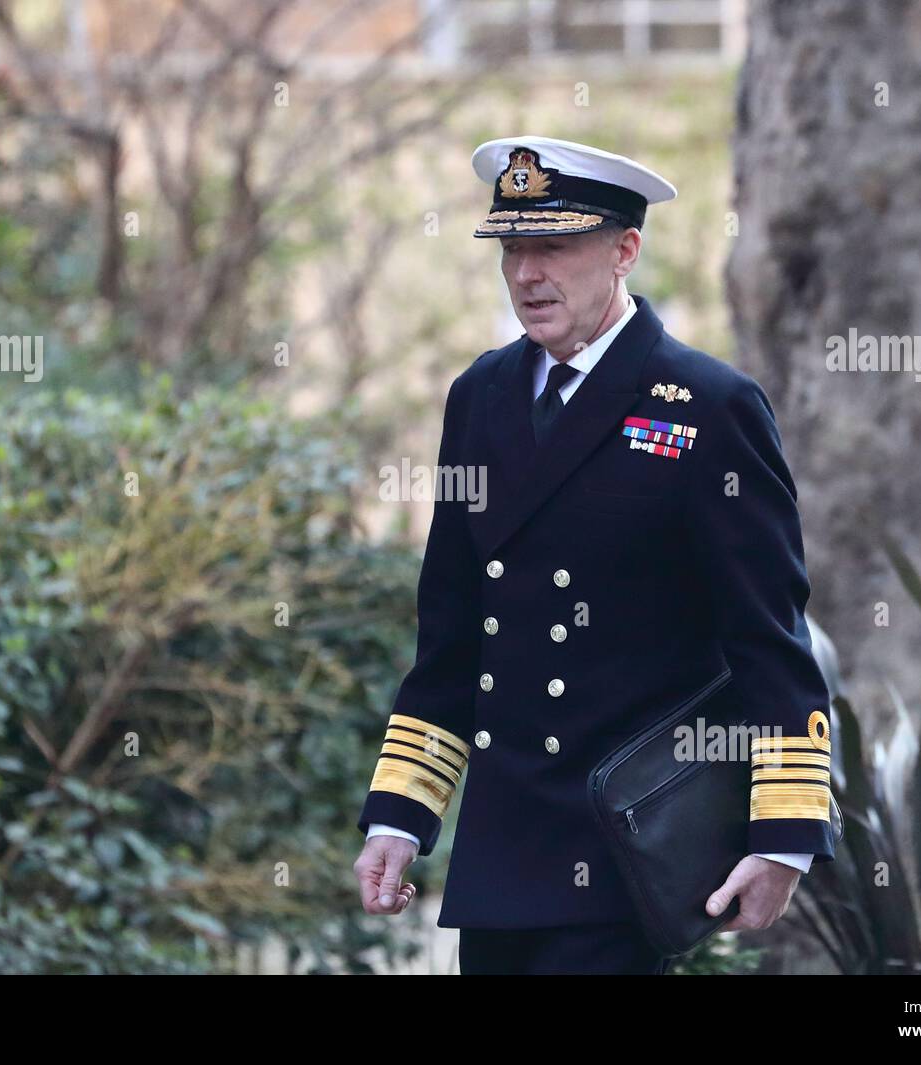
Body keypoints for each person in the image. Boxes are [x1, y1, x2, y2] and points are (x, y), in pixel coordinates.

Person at [352, 136, 836, 975]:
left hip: (627, 842)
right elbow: (452, 635)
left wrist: (786, 834)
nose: (526, 275)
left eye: (554, 247)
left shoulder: (708, 407)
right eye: (512, 249)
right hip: (501, 854)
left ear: (624, 252)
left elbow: (768, 637)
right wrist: (400, 815)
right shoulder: (481, 397)